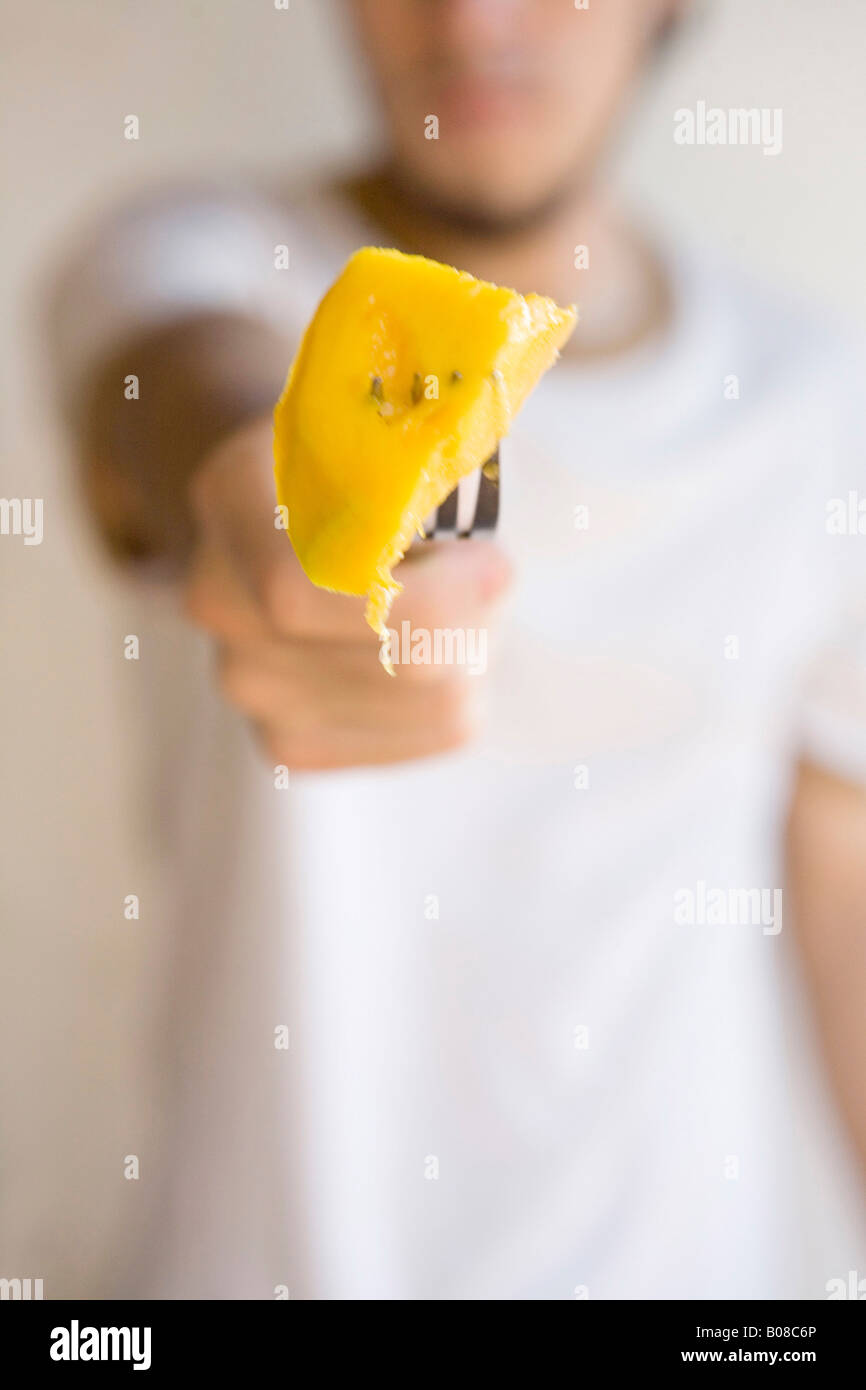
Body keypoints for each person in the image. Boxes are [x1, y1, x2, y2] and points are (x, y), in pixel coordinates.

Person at [47, 0, 866, 1298]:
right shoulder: (183, 256)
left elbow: (844, 900)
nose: (472, 19)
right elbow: (178, 388)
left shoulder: (815, 405)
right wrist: (262, 498)